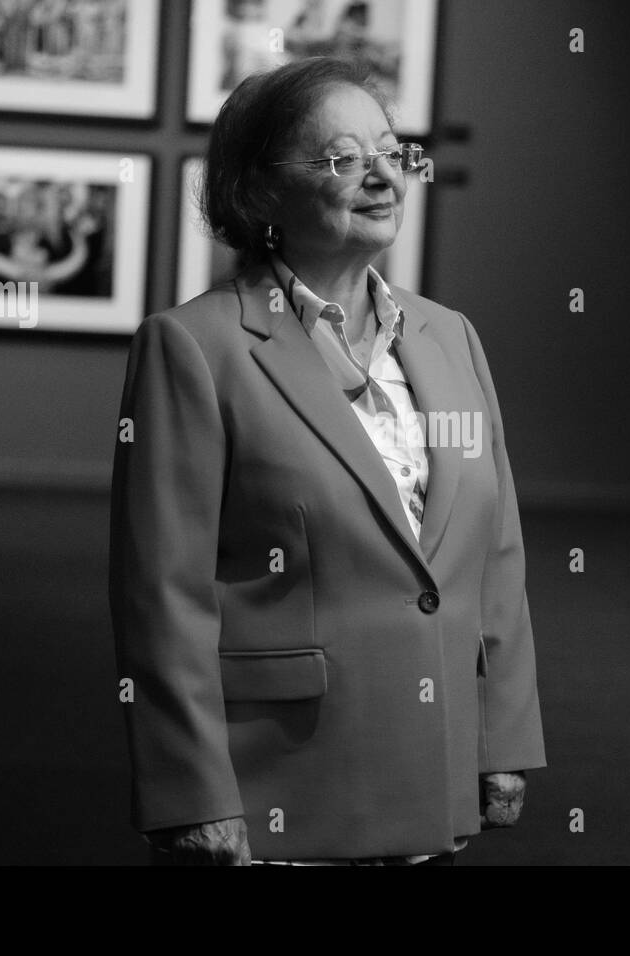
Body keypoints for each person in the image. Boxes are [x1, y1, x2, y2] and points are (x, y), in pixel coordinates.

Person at [108, 56, 546, 865]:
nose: (383, 177)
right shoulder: (196, 348)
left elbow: (495, 552)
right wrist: (191, 789)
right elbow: (161, 596)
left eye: (393, 152)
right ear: (260, 191)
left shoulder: (449, 337)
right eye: (344, 159)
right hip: (284, 780)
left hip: (432, 758)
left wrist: (503, 732)